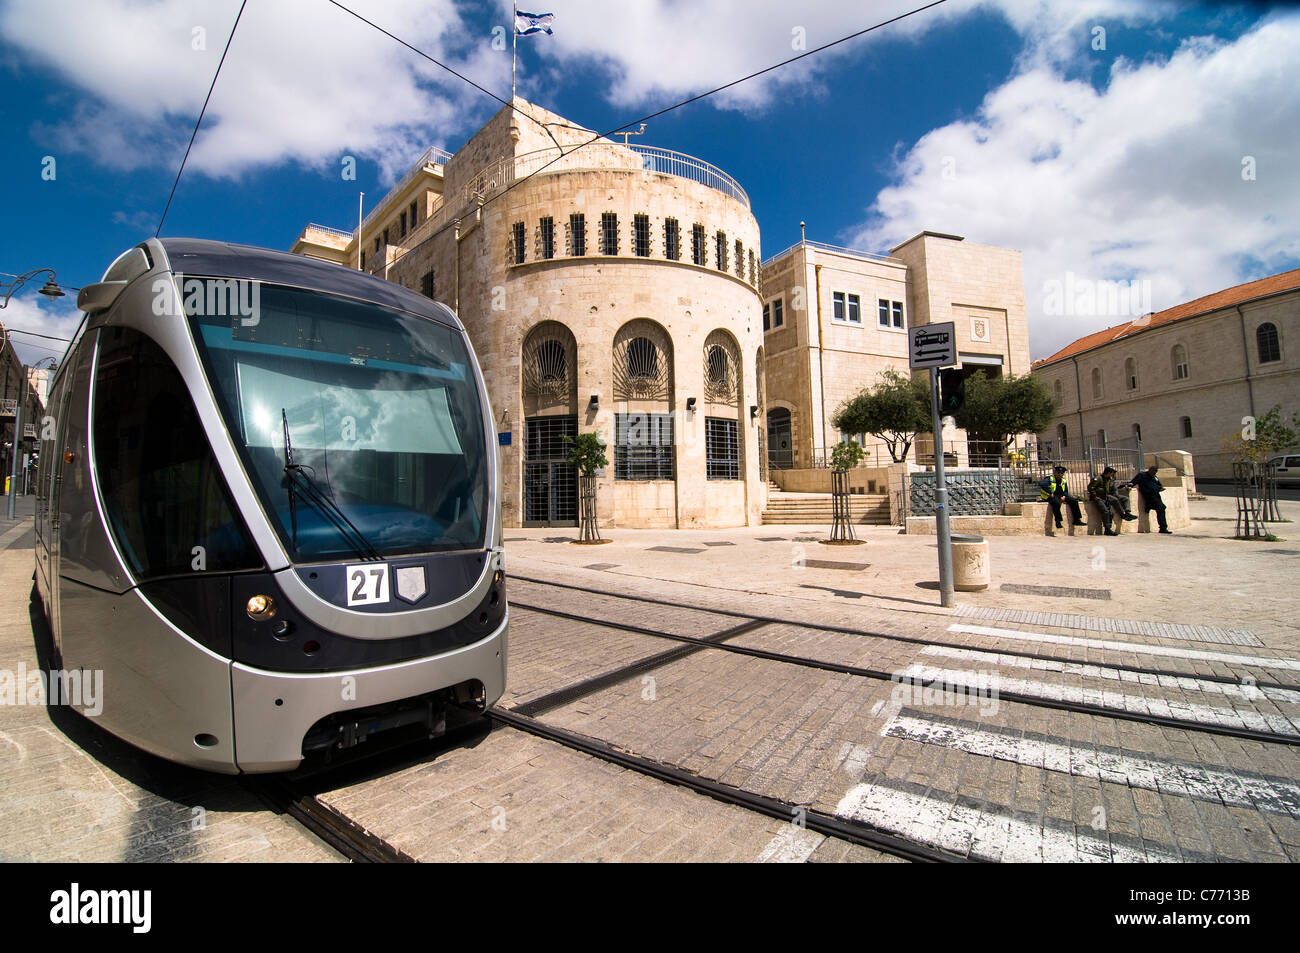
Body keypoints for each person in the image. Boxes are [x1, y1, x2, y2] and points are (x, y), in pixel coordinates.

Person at [1087, 465, 1138, 536]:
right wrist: (1095, 496)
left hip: (1105, 497)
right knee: (1105, 511)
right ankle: (1108, 529)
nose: (1113, 475)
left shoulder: (1108, 479)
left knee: (1111, 511)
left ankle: (1110, 527)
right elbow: (1090, 487)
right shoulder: (1098, 478)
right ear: (1108, 473)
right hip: (1098, 498)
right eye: (1112, 473)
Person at [1128, 464, 1172, 533]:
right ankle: (1163, 528)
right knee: (1161, 507)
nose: (1154, 473)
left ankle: (1163, 527)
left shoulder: (1155, 477)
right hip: (1149, 496)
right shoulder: (1142, 475)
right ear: (1149, 470)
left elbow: (1159, 485)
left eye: (1155, 472)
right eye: (1153, 471)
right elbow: (1133, 482)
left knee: (1161, 508)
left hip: (1156, 496)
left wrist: (1160, 488)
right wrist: (1130, 486)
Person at [1040, 464, 1085, 529]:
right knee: (1056, 503)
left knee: (1074, 501)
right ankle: (1058, 521)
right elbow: (1042, 484)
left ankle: (1077, 520)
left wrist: (1064, 496)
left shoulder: (1063, 480)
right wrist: (1050, 492)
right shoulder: (1049, 478)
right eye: (1058, 473)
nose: (1059, 474)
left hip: (1061, 495)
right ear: (1055, 472)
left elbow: (1066, 490)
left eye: (1061, 473)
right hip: (1051, 496)